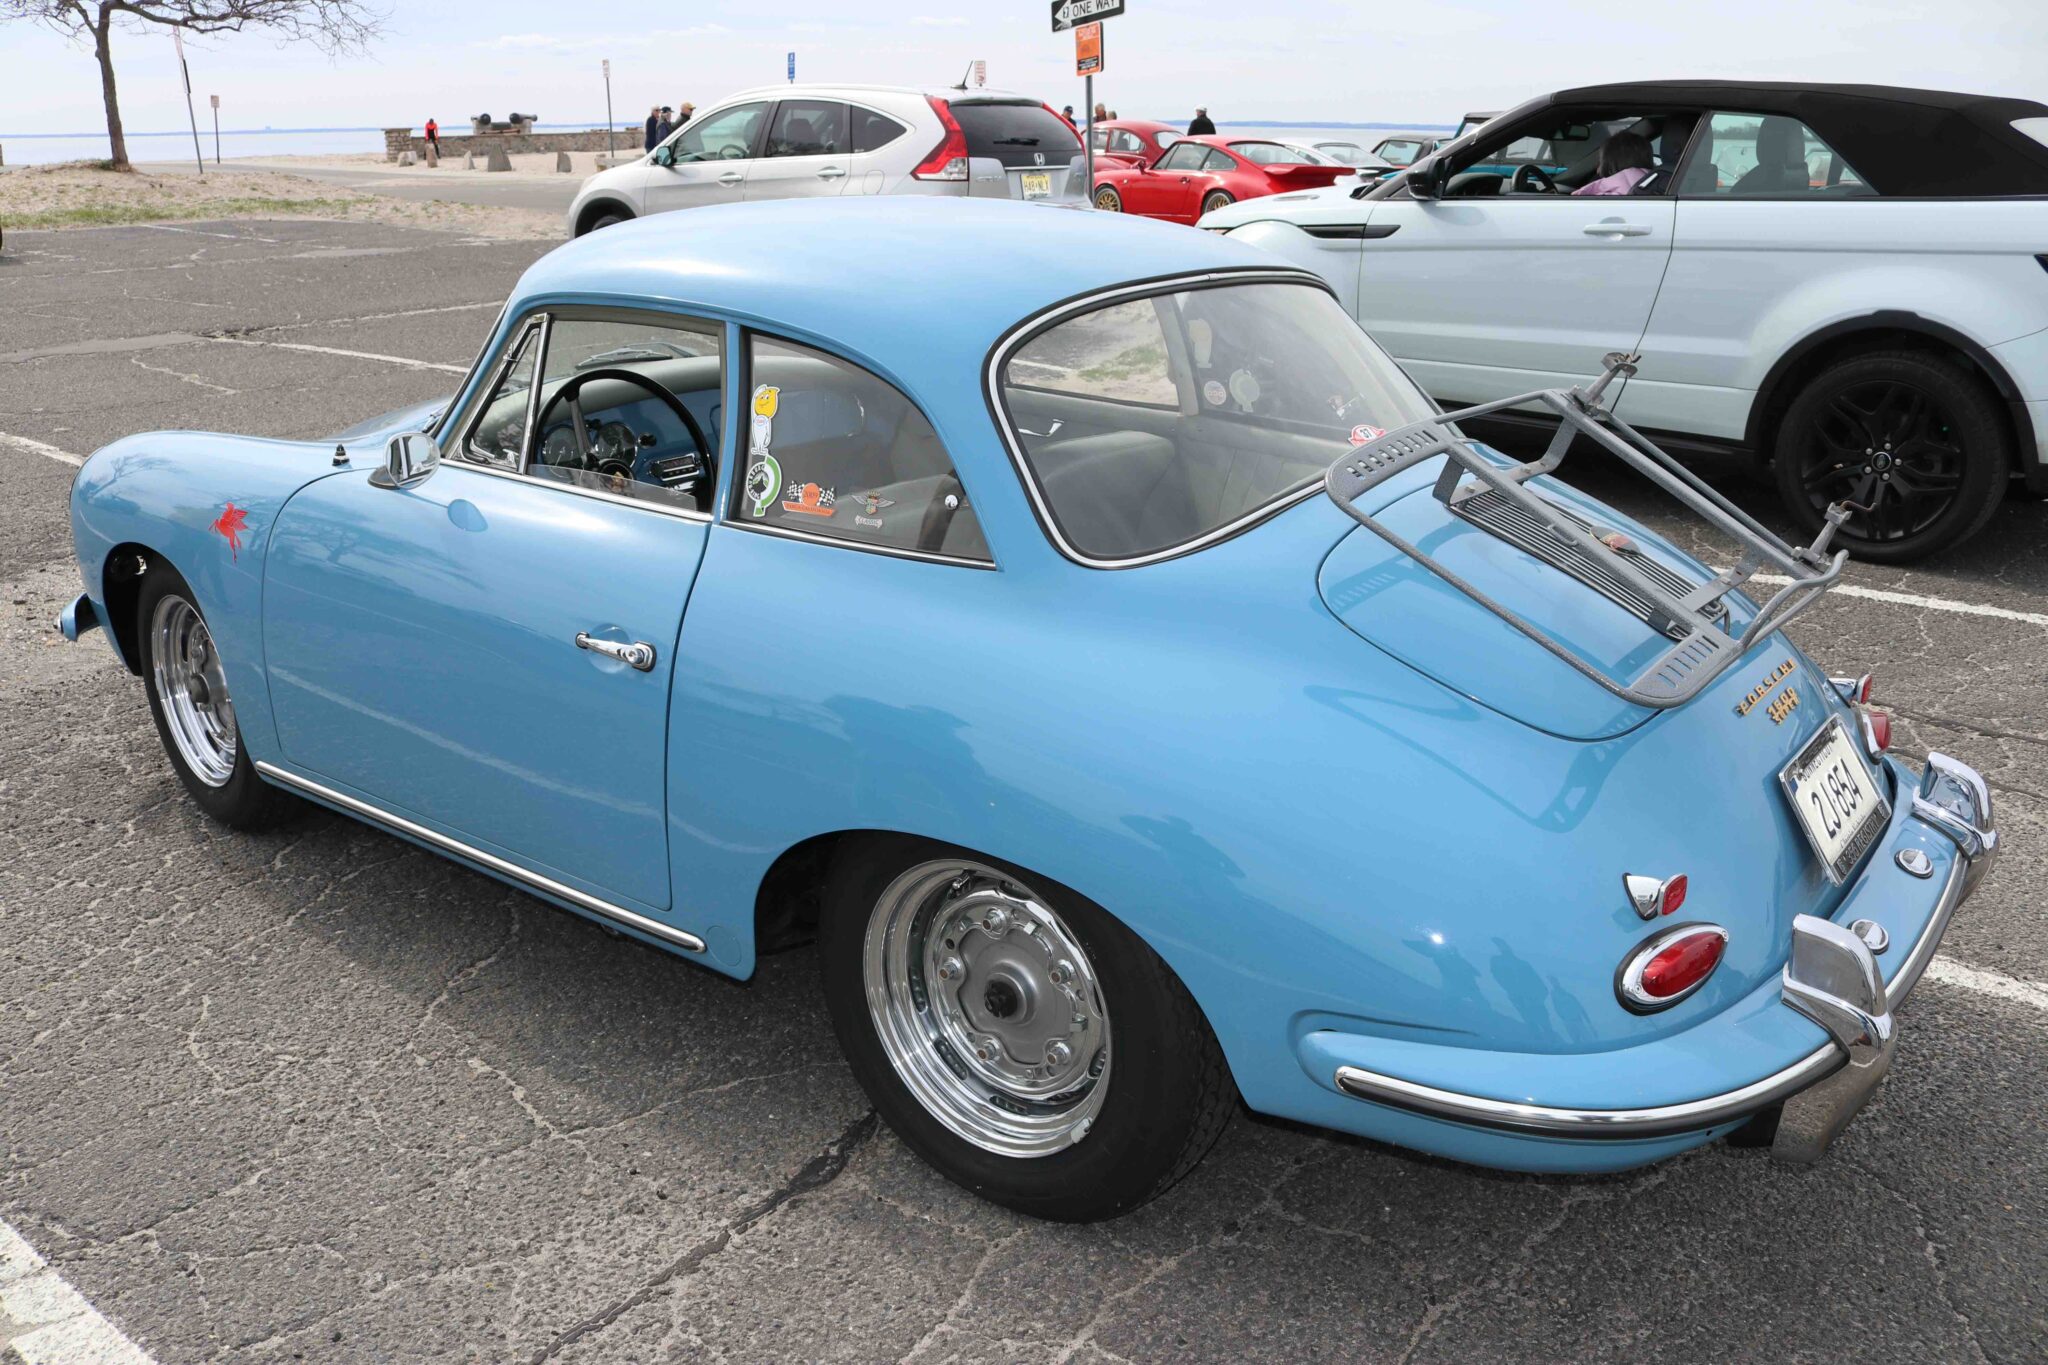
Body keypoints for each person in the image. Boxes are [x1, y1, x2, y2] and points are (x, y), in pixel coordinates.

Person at [1573, 131, 1655, 196]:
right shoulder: (1662, 187)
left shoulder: (1601, 199)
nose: (1597, 171)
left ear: (1610, 166)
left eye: (1601, 162)